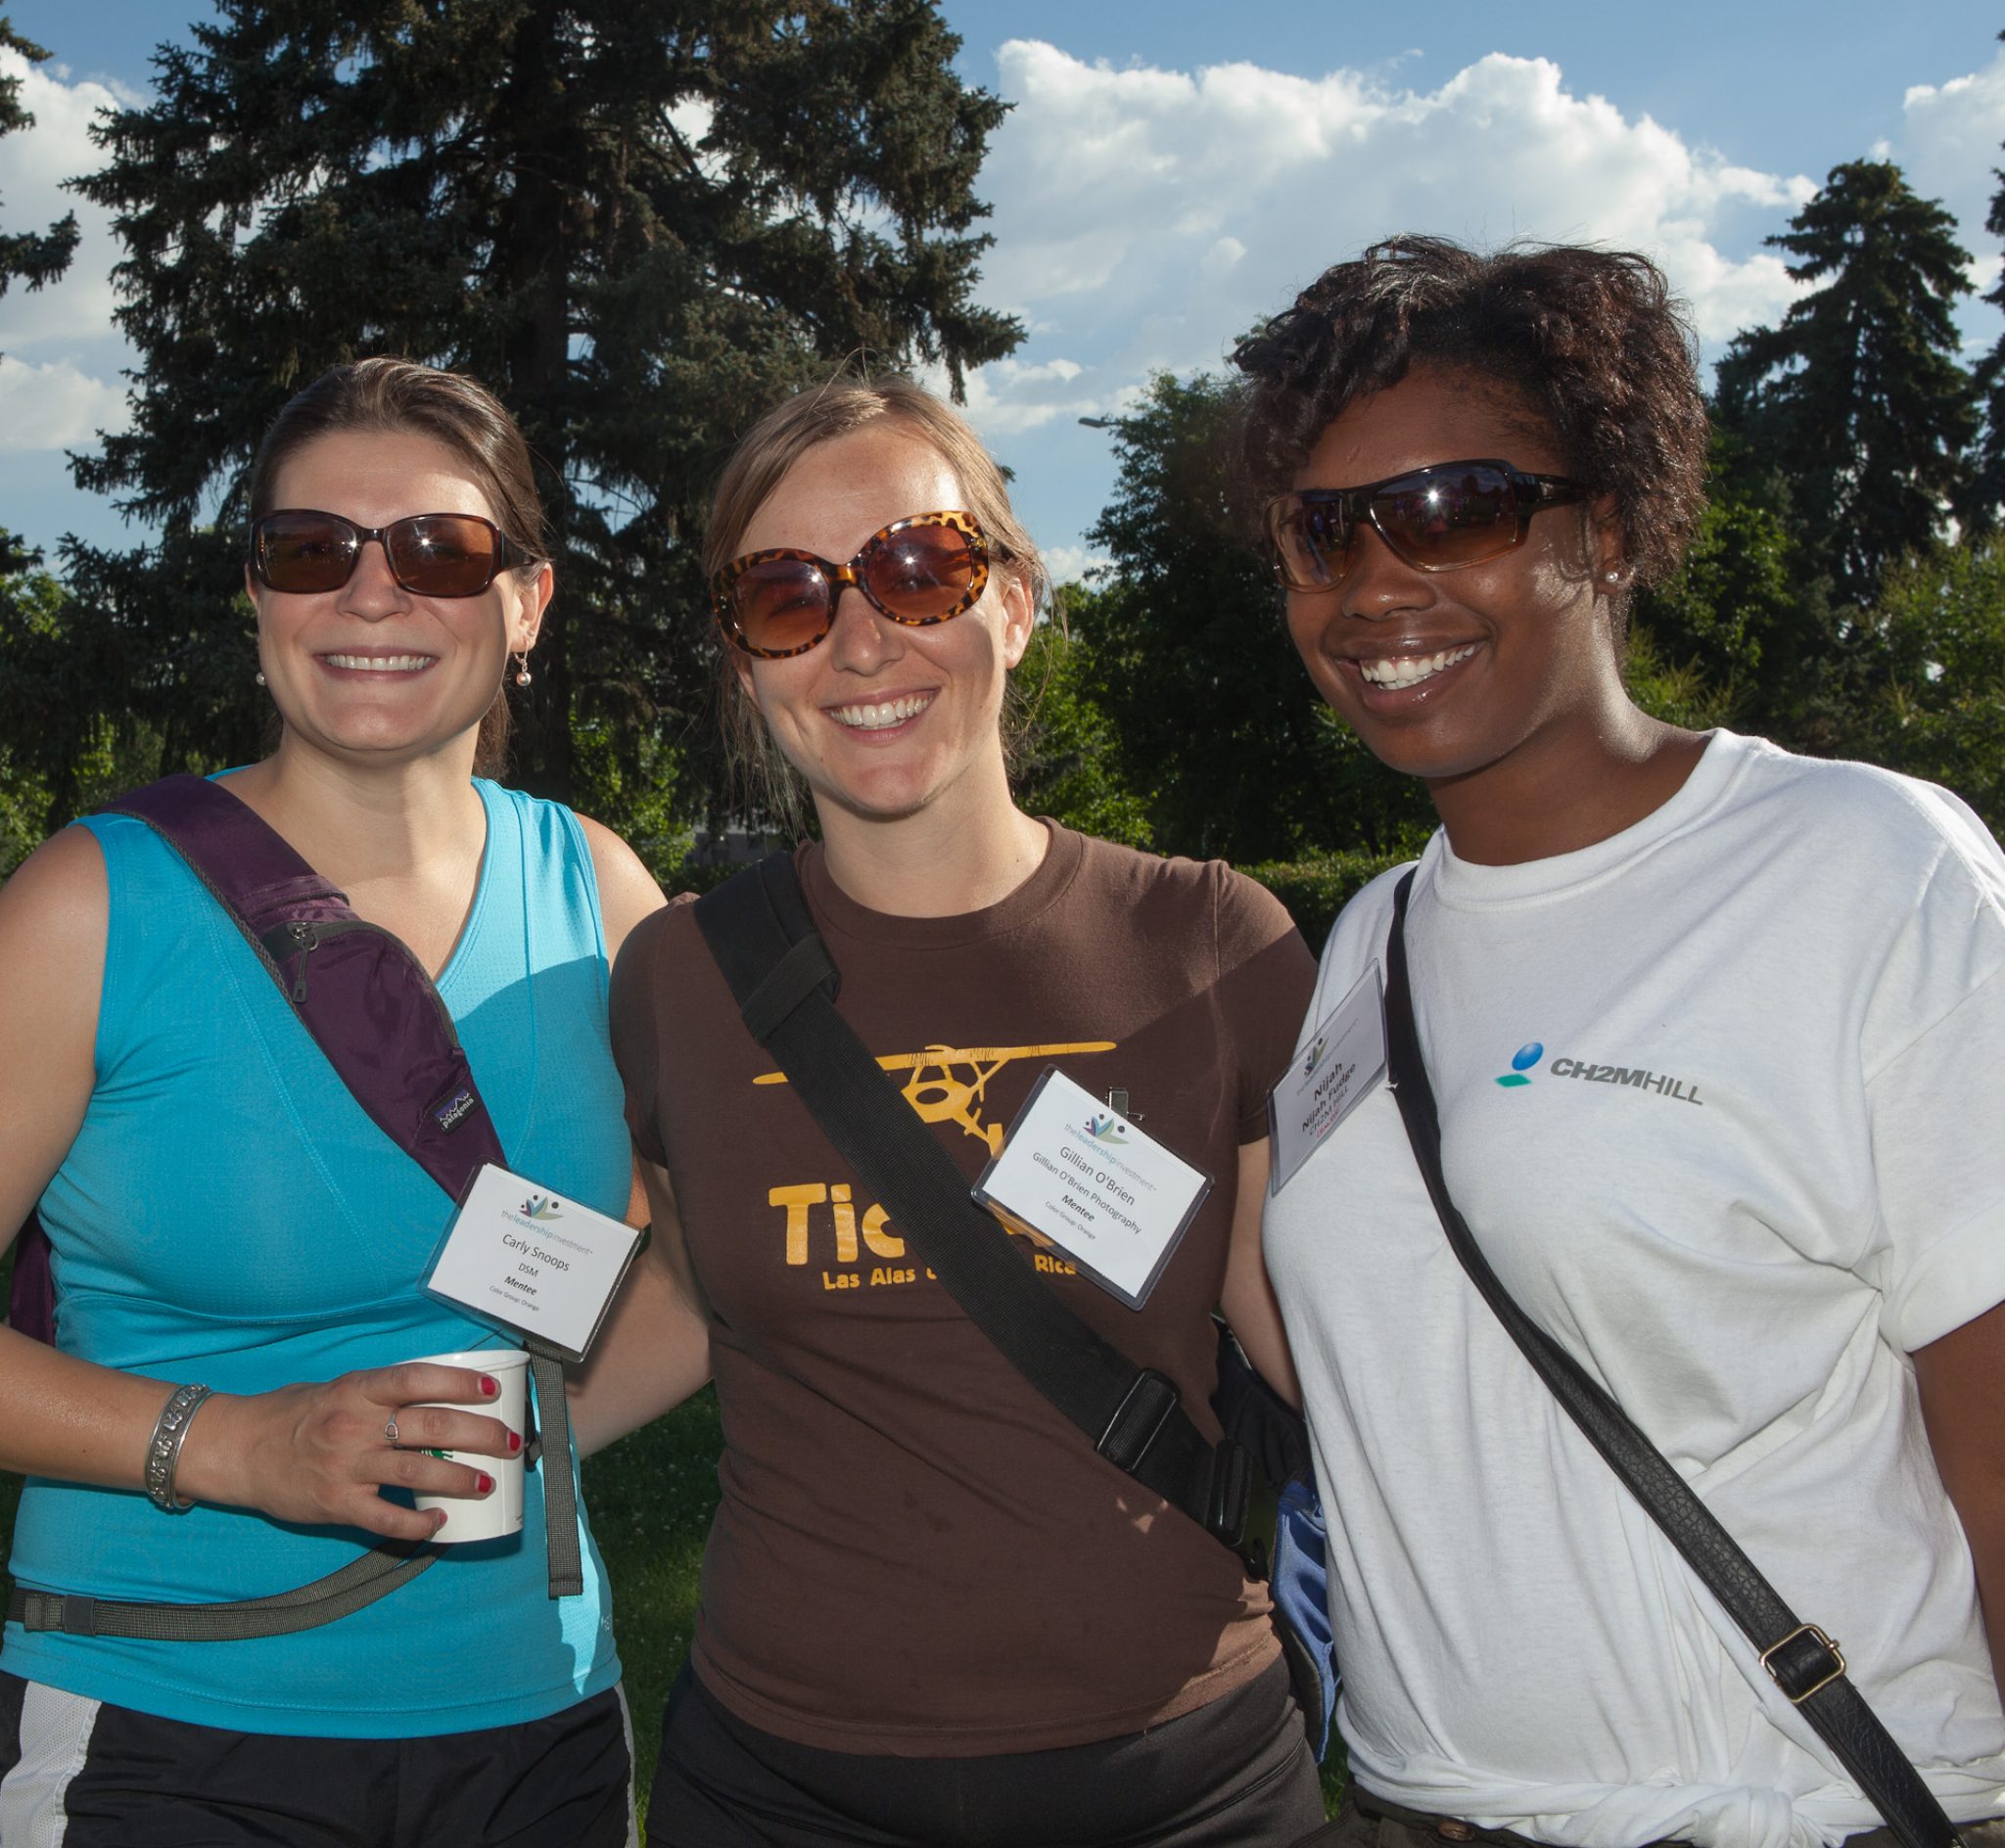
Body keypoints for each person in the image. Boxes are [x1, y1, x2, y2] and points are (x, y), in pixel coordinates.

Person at [1234, 237, 2005, 1847]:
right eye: (1323, 530)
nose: (1379, 581)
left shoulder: (1865, 870)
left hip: (1787, 1811)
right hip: (1413, 1809)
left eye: (1456, 507)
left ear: (1612, 523)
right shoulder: (1367, 942)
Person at [608, 374, 1329, 1847]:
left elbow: (1304, 1329)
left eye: (918, 569)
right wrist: (411, 1426)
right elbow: (691, 1295)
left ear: (1012, 602)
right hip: (781, 1788)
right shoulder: (679, 976)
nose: (862, 639)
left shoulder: (1213, 942)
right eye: (790, 594)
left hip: (1182, 1778)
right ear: (746, 660)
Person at [0, 358, 676, 1845]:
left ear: (529, 605)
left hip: (539, 1725)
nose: (374, 596)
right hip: (167, 1724)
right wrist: (234, 1446)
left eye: (440, 551)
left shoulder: (599, 893)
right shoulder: (92, 906)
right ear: (258, 597)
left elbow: (692, 1277)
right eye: (314, 550)